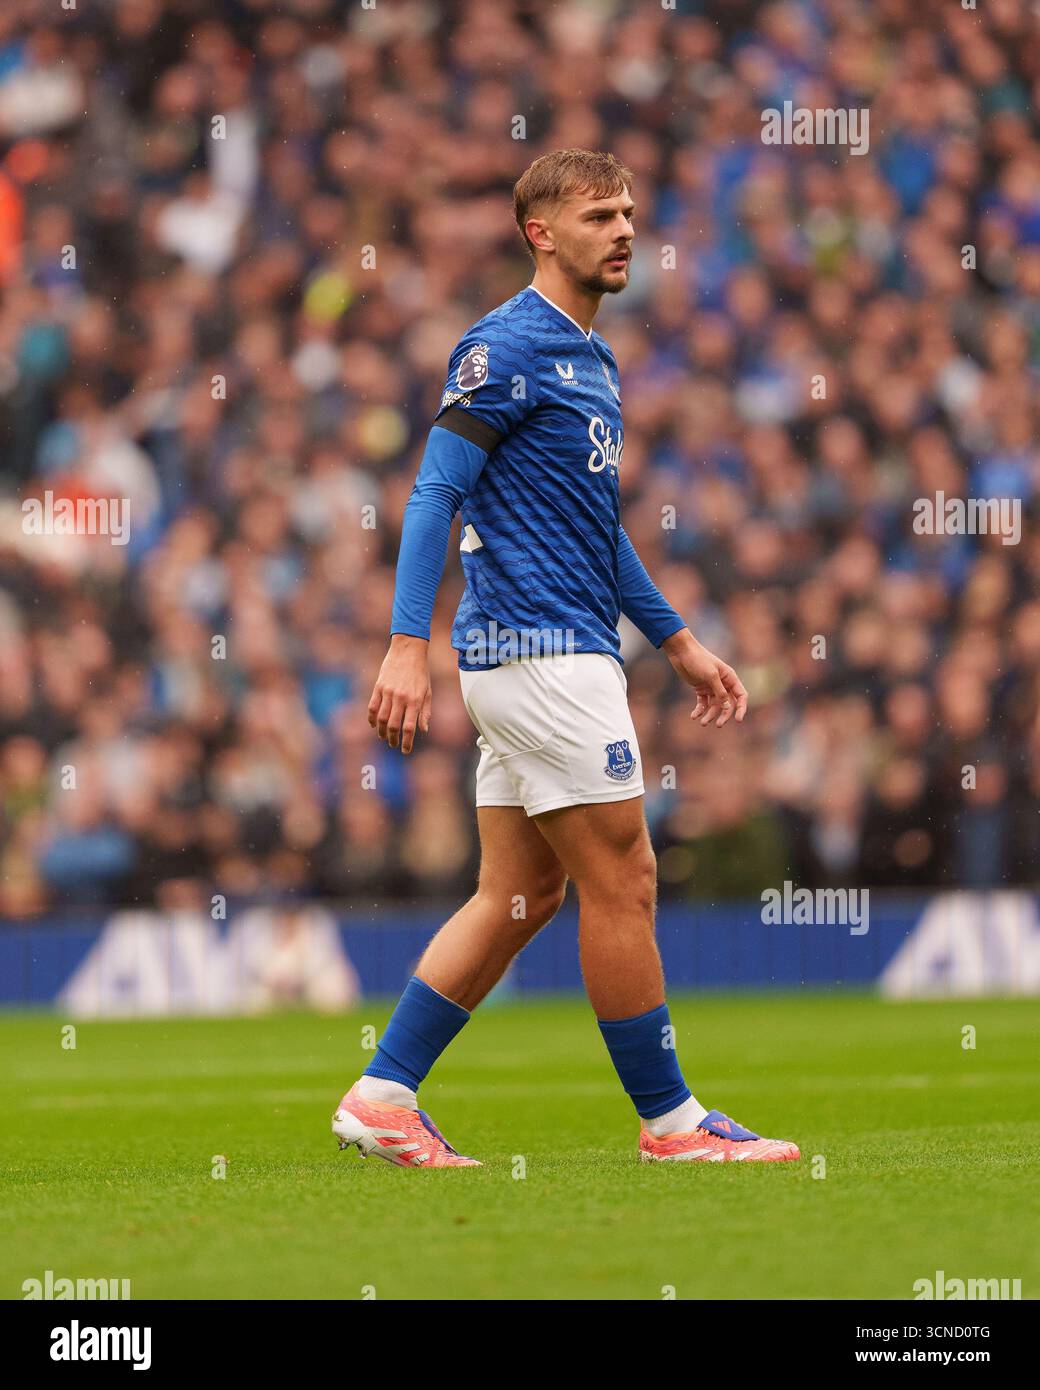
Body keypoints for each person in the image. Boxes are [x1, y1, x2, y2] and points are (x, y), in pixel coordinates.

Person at [333, 149, 800, 1167]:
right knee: (625, 879)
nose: (624, 229)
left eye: (629, 211)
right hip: (541, 657)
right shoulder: (503, 347)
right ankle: (672, 1124)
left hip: (545, 654)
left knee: (521, 893)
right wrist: (404, 643)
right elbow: (430, 492)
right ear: (538, 232)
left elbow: (594, 524)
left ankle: (382, 1093)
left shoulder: (593, 358)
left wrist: (674, 638)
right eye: (598, 215)